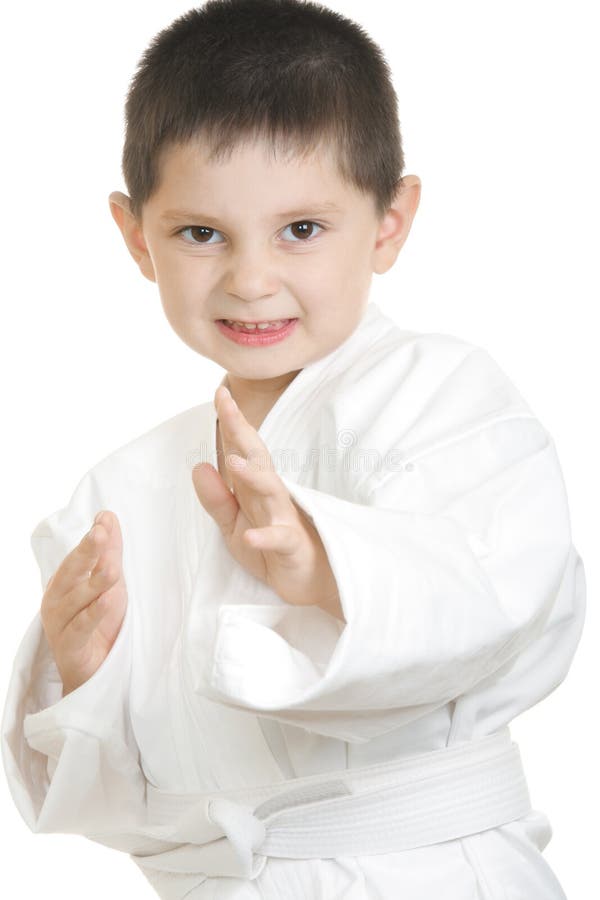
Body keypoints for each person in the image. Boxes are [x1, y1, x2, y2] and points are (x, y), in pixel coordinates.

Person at [1, 1, 586, 897]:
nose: (250, 278)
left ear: (390, 220)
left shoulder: (443, 397)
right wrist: (87, 686)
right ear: (136, 237)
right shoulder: (119, 492)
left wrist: (328, 569)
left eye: (301, 229)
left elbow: (501, 596)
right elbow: (126, 813)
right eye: (201, 234)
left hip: (428, 875)